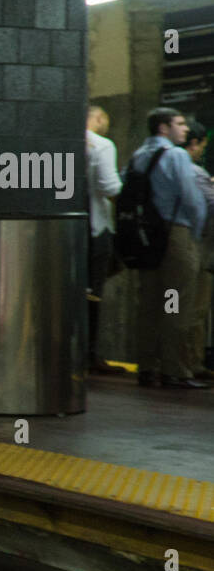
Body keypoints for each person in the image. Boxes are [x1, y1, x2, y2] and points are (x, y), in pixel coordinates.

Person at [128, 107, 209, 388]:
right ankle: (174, 369)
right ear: (164, 128)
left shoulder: (139, 155)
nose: (185, 129)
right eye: (179, 124)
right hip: (175, 236)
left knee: (149, 304)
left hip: (147, 240)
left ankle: (147, 366)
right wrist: (194, 232)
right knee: (174, 302)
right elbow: (191, 198)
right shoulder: (176, 155)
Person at [85, 104, 123, 373]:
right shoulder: (102, 145)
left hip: (68, 231)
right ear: (97, 117)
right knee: (93, 294)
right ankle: (89, 354)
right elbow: (109, 186)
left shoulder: (62, 140)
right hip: (96, 227)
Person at [182, 120, 214, 379]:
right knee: (196, 307)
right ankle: (190, 363)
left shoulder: (150, 159)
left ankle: (160, 362)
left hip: (162, 248)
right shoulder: (194, 171)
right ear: (194, 144)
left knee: (170, 305)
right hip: (196, 247)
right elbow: (208, 205)